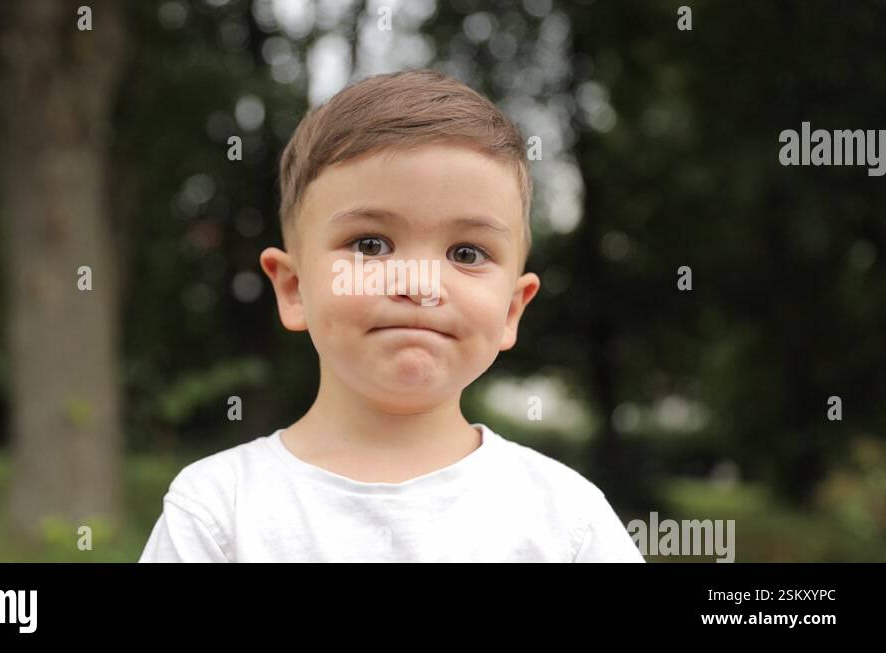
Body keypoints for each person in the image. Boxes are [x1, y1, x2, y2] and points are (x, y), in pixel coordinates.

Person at [139, 69, 644, 562]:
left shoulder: (568, 522)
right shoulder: (218, 512)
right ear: (294, 289)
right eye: (371, 244)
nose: (420, 284)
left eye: (466, 253)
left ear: (512, 310)